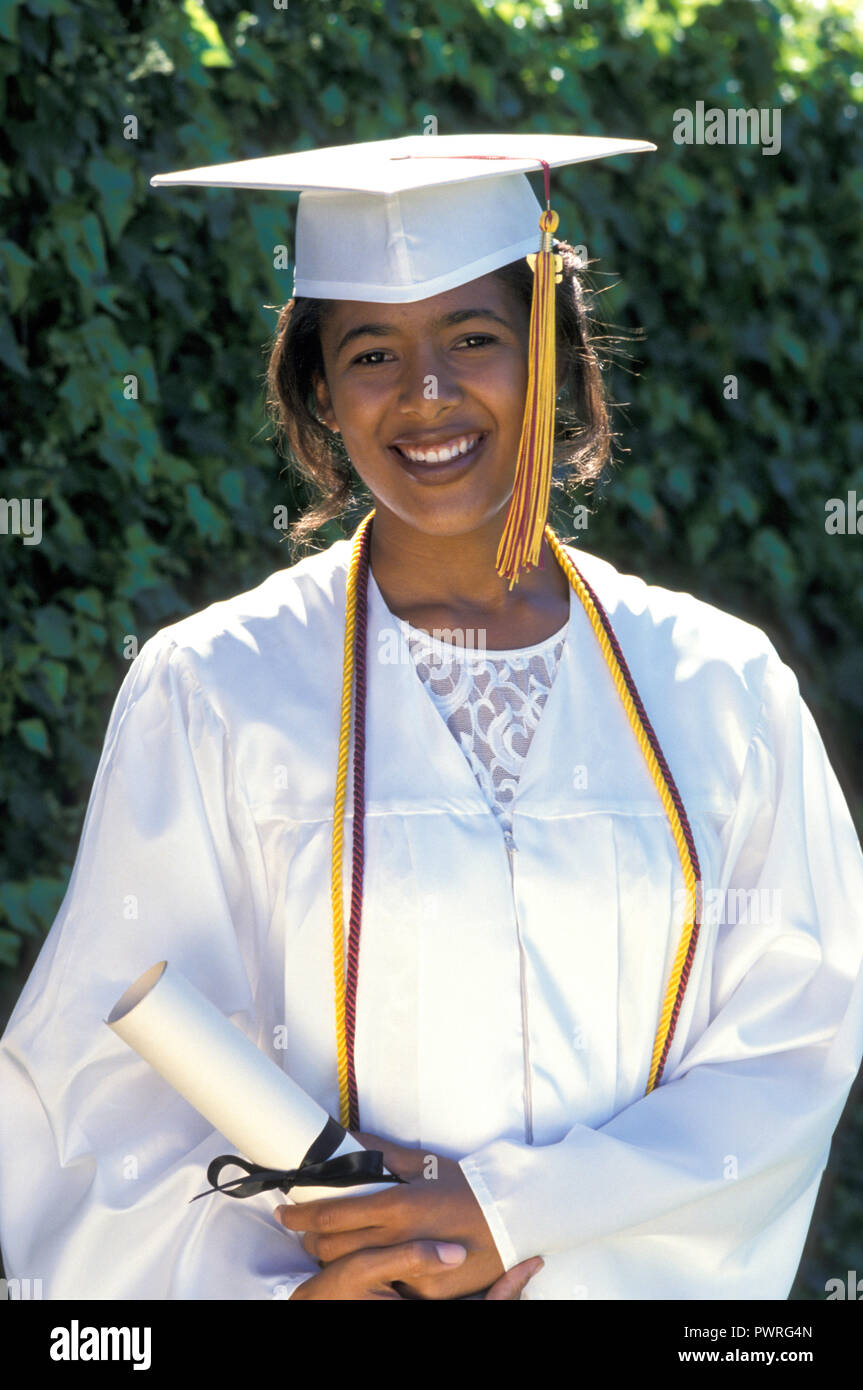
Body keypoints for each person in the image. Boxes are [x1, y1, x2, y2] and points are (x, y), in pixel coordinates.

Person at [1, 134, 862, 1302]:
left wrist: (513, 1219)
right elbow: (99, 1091)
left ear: (545, 351)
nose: (426, 393)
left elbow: (795, 1042)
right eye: (369, 352)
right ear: (318, 389)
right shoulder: (214, 690)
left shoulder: (719, 689)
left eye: (472, 337)